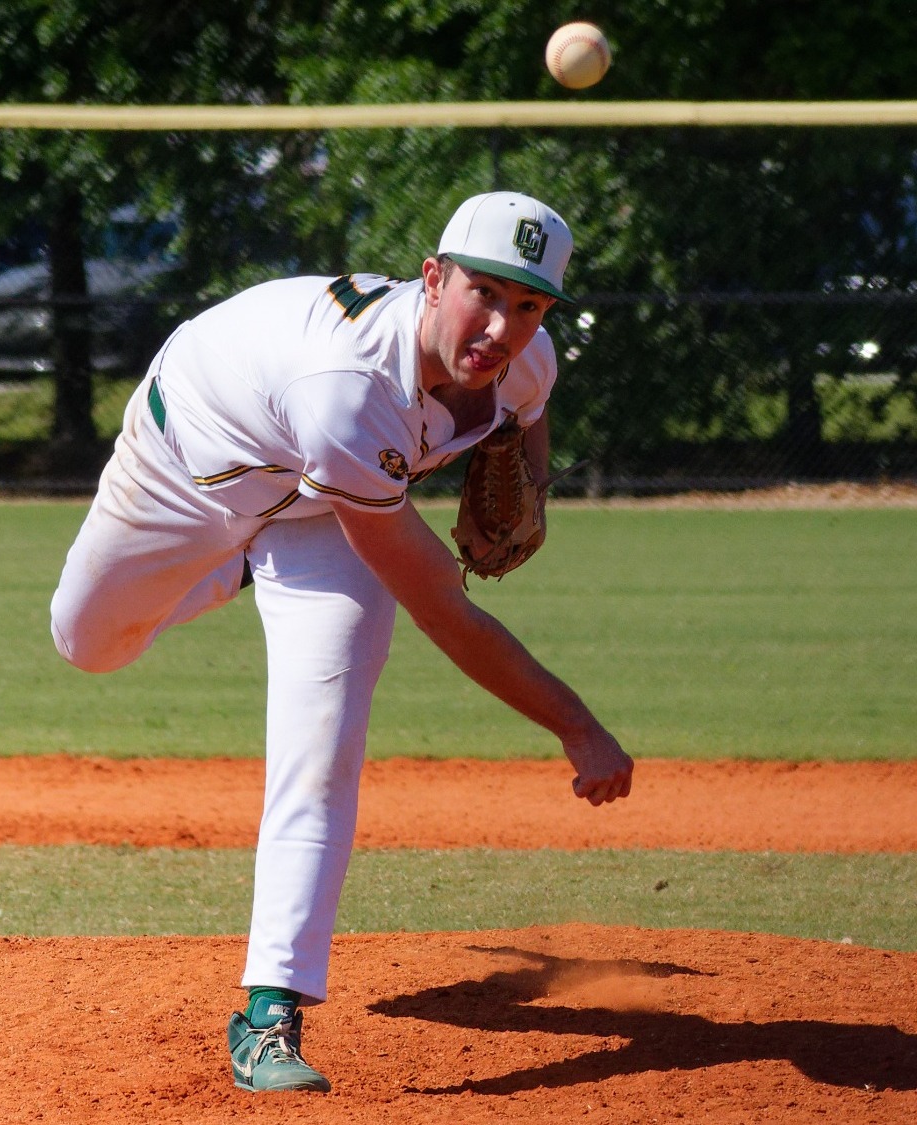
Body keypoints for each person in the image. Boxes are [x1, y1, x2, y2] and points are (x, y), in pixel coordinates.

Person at [48, 191, 634, 1094]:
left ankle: (268, 1011)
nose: (501, 325)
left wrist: (536, 488)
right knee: (88, 642)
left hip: (332, 507)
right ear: (433, 279)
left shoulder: (525, 359)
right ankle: (233, 566)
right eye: (483, 292)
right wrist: (577, 723)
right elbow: (444, 607)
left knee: (323, 745)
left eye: (528, 304)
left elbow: (524, 412)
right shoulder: (351, 388)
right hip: (197, 461)